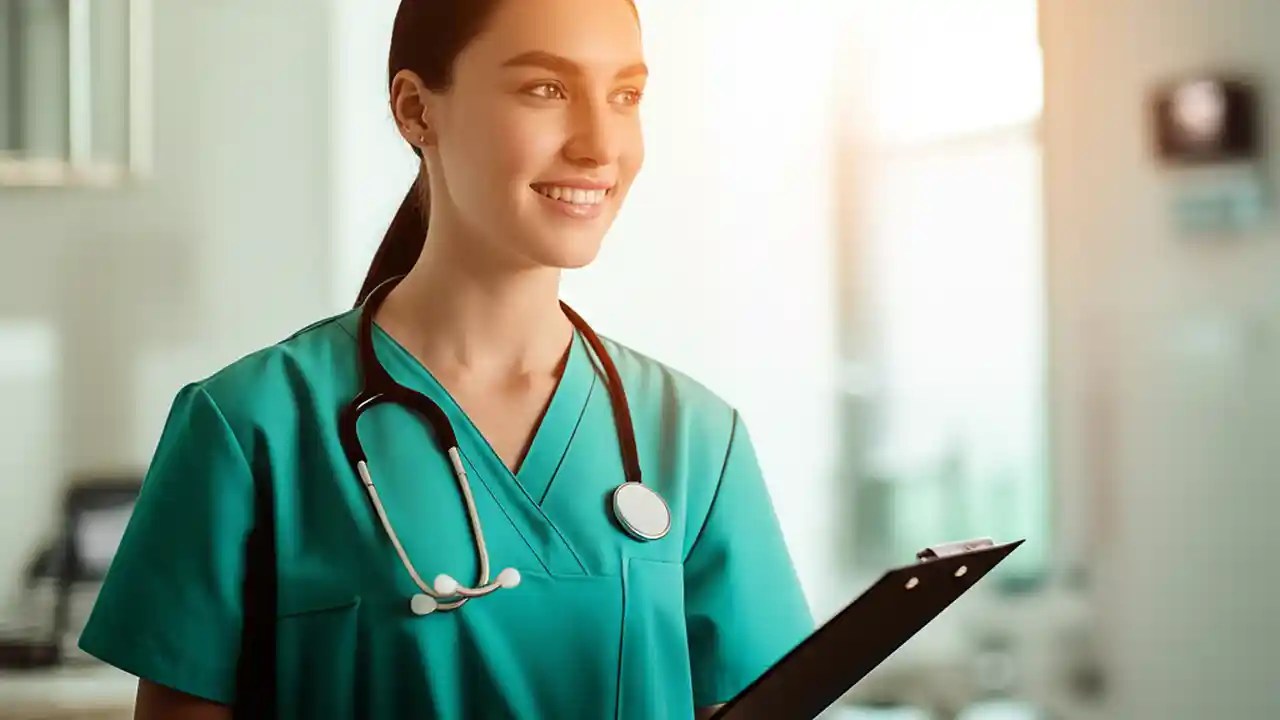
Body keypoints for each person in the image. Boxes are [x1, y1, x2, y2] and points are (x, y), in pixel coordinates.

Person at [77, 0, 813, 717]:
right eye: (546, 89)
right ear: (415, 109)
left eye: (625, 95)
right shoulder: (250, 427)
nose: (598, 143)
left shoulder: (695, 443)